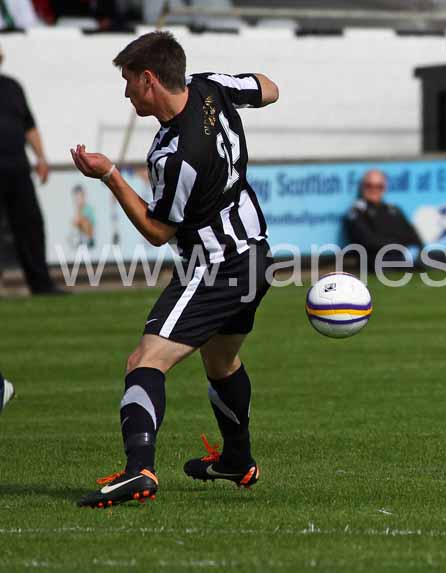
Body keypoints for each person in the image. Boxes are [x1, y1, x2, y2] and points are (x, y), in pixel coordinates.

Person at [70, 31, 280, 508]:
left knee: (144, 362)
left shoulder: (176, 155)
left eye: (128, 83)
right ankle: (237, 460)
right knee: (222, 362)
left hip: (215, 267)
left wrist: (109, 175)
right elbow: (268, 87)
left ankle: (138, 470)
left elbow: (158, 231)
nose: (125, 93)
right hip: (256, 257)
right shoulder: (210, 88)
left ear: (149, 80)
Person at [0, 43, 62, 295]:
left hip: (17, 168)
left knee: (31, 225)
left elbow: (29, 126)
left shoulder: (13, 87)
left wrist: (41, 158)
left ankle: (41, 284)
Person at [345, 169, 423, 267]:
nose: (374, 190)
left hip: (403, 255)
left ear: (384, 188)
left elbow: (414, 238)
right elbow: (369, 242)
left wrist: (409, 248)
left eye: (379, 186)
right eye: (369, 186)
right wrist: (401, 247)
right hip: (378, 260)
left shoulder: (394, 210)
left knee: (440, 257)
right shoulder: (356, 212)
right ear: (362, 187)